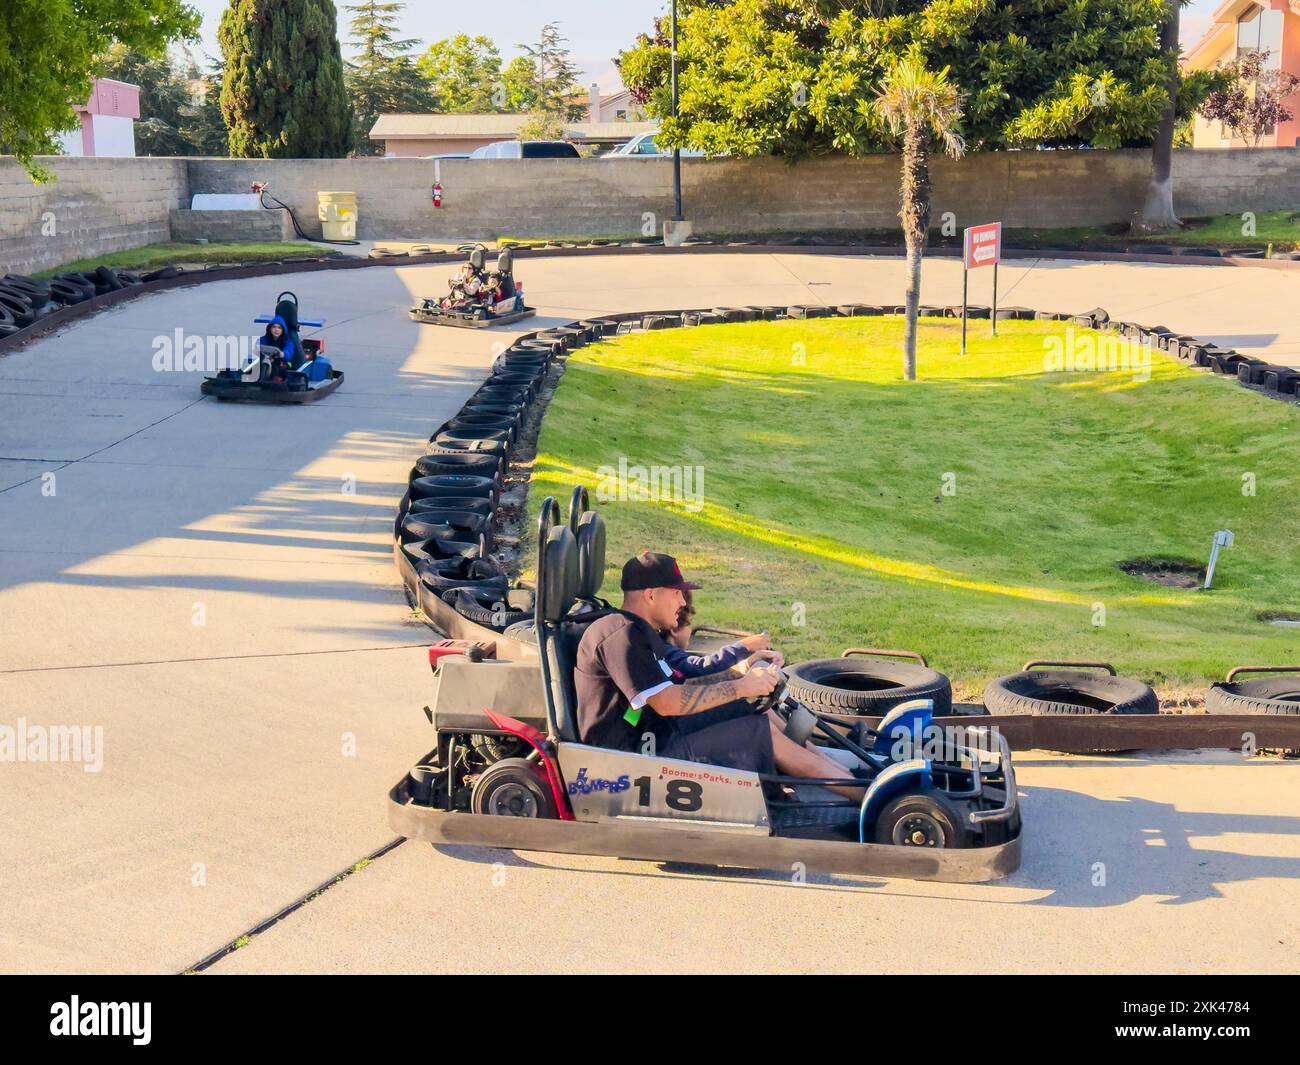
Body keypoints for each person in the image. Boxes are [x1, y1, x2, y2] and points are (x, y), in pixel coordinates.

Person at [574, 551, 863, 796]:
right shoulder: (620, 635)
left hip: (657, 736)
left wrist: (738, 675)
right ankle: (867, 799)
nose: (683, 603)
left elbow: (684, 677)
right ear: (650, 595)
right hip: (628, 764)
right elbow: (667, 703)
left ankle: (852, 778)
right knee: (758, 732)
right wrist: (741, 687)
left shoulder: (641, 633)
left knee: (756, 713)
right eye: (676, 593)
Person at [659, 590, 777, 680]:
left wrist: (747, 663)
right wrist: (744, 646)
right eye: (689, 624)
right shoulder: (665, 653)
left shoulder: (658, 648)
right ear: (674, 629)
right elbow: (700, 668)